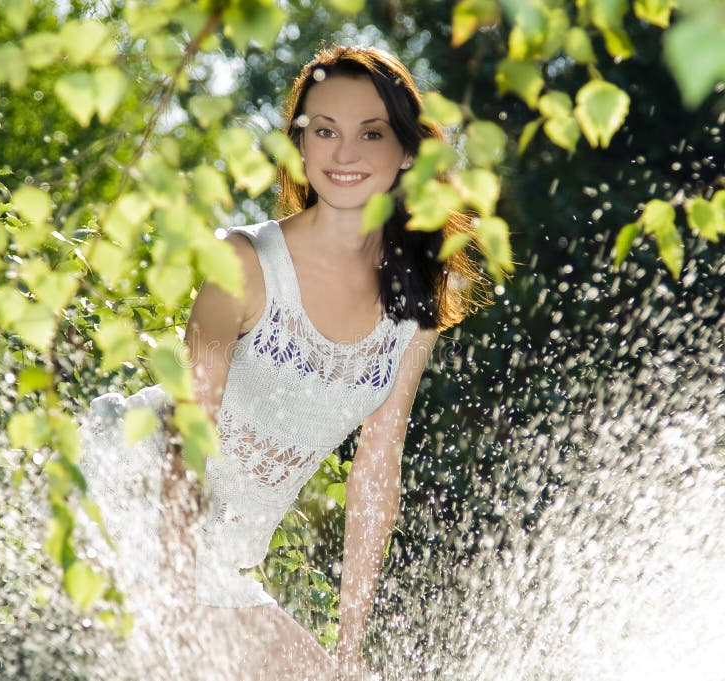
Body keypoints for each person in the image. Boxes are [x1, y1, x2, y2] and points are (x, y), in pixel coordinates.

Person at [81, 45, 487, 681]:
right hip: (138, 504)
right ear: (300, 145)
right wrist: (173, 602)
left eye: (370, 133)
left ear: (407, 151)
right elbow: (188, 436)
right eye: (323, 131)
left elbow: (375, 476)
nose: (343, 154)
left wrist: (350, 649)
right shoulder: (243, 264)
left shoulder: (416, 305)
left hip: (221, 560)